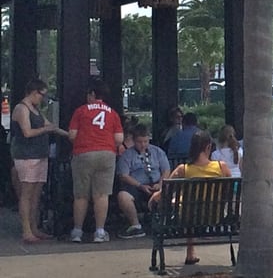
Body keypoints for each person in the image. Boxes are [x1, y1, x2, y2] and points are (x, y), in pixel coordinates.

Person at [151, 129, 231, 265]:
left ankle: (190, 253)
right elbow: (228, 191)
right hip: (215, 216)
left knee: (188, 207)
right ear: (208, 147)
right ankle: (190, 254)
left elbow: (164, 192)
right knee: (194, 205)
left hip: (188, 218)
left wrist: (153, 198)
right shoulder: (221, 167)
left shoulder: (183, 169)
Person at [10, 78, 67, 243]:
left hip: (40, 154)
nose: (42, 98)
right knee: (26, 193)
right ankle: (26, 229)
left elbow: (51, 126)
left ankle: (35, 227)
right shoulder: (21, 109)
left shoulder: (36, 109)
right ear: (34, 92)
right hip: (26, 155)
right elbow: (27, 132)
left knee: (36, 195)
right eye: (41, 94)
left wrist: (68, 135)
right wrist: (45, 129)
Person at [67, 78, 123, 243]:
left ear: (92, 94)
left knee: (81, 195)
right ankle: (99, 232)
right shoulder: (112, 113)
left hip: (83, 153)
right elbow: (119, 138)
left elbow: (72, 135)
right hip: (106, 154)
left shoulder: (81, 111)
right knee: (101, 194)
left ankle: (77, 231)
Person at [115, 124, 170, 238]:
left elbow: (166, 169)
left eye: (145, 141)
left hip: (156, 185)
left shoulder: (157, 151)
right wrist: (140, 185)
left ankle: (164, 223)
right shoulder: (127, 155)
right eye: (140, 142)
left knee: (169, 193)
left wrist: (160, 183)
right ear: (134, 141)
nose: (143, 144)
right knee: (122, 196)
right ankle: (136, 226)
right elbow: (123, 175)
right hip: (136, 186)